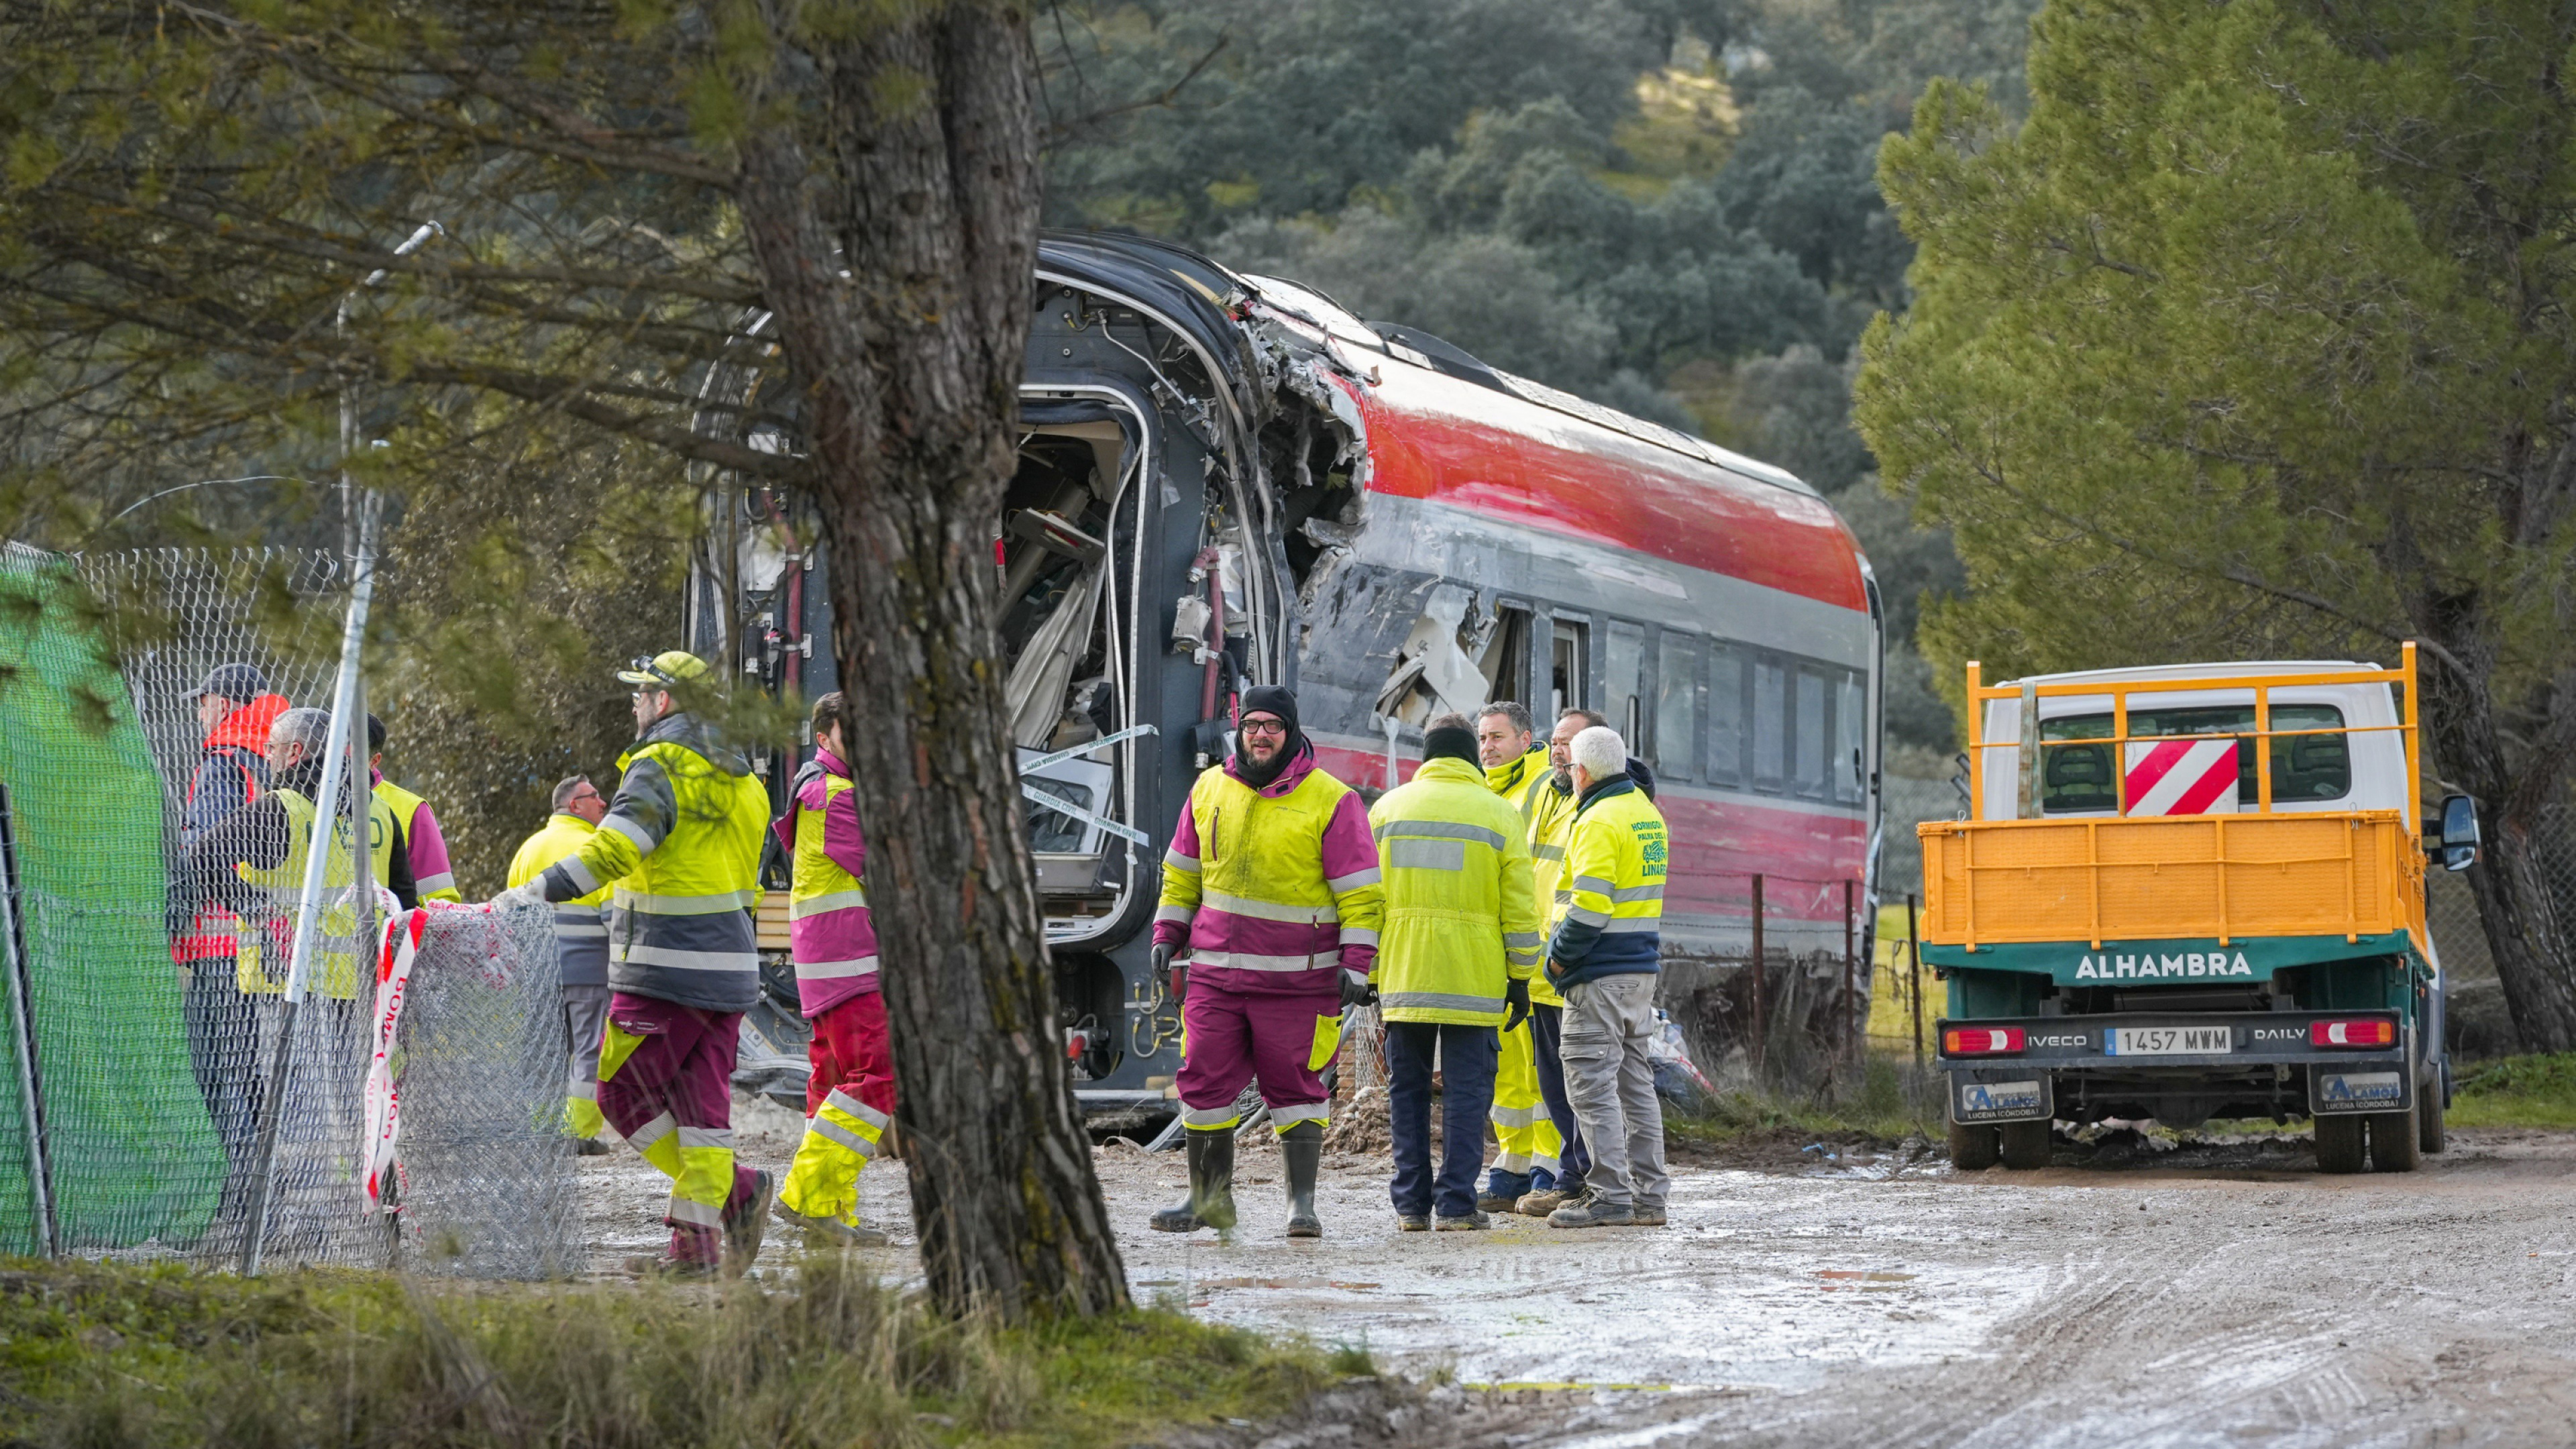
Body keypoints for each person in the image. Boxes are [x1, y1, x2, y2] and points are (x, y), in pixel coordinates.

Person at [498, 651, 774, 1277]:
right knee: (704, 1119)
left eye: (642, 693)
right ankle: (696, 1252)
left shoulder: (660, 763)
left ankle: (739, 1193)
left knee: (620, 1094)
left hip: (663, 972)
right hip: (730, 972)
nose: (634, 704)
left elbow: (615, 851)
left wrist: (527, 895)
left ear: (667, 701)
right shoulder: (748, 781)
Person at [1149, 684, 1382, 1238]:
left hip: (1299, 982)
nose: (1260, 735)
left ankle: (1301, 1206)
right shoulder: (1209, 790)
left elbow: (1361, 894)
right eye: (1252, 724)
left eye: (1272, 726)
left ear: (1291, 732)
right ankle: (1208, 1201)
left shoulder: (1332, 799)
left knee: (1296, 1090)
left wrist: (1357, 964)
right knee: (1201, 1085)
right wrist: (1168, 931)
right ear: (1240, 729)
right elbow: (1182, 873)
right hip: (1216, 977)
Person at [1371, 712, 1542, 1230]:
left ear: (1427, 754)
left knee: (1408, 1090)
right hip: (1475, 978)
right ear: (1471, 754)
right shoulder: (1498, 815)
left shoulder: (1386, 810)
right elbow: (1519, 909)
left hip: (1405, 974)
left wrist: (1371, 973)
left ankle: (1410, 1206)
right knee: (1469, 1095)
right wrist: (1521, 975)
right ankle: (1456, 1206)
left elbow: (1365, 903)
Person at [769, 691, 894, 1247]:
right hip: (851, 964)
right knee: (878, 1076)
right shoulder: (837, 796)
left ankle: (825, 1210)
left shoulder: (818, 788)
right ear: (825, 737)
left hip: (828, 967)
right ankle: (805, 1193)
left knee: (833, 1085)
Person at [1544, 724, 1671, 1230]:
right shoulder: (1646, 814)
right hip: (1639, 970)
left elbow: (1590, 908)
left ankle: (1610, 1196)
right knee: (1635, 1085)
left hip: (1597, 973)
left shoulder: (1598, 819)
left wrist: (1558, 960)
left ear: (1581, 771)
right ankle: (1649, 1196)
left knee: (1591, 1088)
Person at [170, 663, 292, 1182]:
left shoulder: (224, 765)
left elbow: (204, 850)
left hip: (220, 944)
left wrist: (185, 909)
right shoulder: (274, 763)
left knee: (217, 1074)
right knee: (244, 1074)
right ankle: (256, 1192)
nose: (199, 710)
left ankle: (232, 1191)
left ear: (222, 703)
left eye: (203, 700)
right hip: (257, 943)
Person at [1511, 706, 1608, 1219]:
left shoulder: (1596, 804)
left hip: (1572, 968)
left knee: (1584, 1084)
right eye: (1555, 741)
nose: (1558, 750)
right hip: (1541, 970)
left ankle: (1584, 1180)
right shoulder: (1542, 794)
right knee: (1553, 1083)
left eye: (1569, 743)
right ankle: (1571, 1177)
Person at [1473, 702, 1564, 1212]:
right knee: (1508, 1069)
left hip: (1533, 947)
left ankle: (1548, 1165)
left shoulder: (1539, 786)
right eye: (1483, 738)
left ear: (1526, 738)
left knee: (1541, 1069)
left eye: (1498, 737)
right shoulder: (1484, 789)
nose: (1488, 747)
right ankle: (1512, 1162)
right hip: (1497, 950)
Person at [506, 774, 616, 1154]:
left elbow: (512, 915)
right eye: (595, 796)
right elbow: (612, 917)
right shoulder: (596, 847)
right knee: (589, 1049)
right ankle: (581, 1132)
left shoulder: (529, 848)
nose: (603, 803)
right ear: (575, 805)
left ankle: (543, 1128)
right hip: (587, 969)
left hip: (537, 972)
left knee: (544, 1050)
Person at [369, 714, 461, 904]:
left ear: (374, 761)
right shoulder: (308, 799)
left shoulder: (412, 808)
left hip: (391, 931)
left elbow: (439, 897)